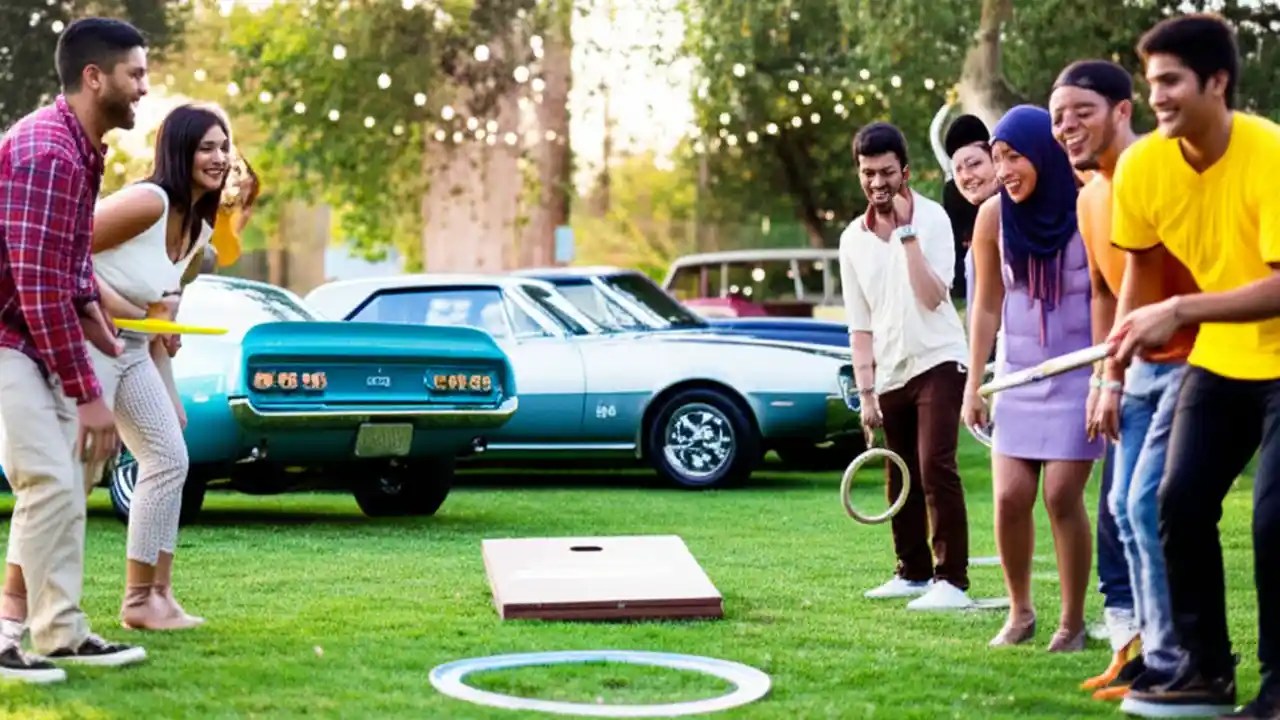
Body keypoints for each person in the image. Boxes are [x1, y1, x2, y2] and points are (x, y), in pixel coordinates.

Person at [1106, 14, 1280, 719]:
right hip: (1223, 358)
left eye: (1171, 81)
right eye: (1152, 84)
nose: (1159, 98)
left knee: (1274, 521)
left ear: (1217, 82)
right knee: (1175, 502)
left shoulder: (1270, 153)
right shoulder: (1144, 166)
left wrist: (1180, 313)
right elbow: (1140, 276)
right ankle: (1205, 671)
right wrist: (1112, 368)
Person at [0, 17, 151, 682]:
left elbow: (68, 260)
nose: (144, 88)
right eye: (135, 74)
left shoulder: (81, 149)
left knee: (63, 485)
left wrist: (92, 312)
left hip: (35, 338)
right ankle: (6, 641)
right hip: (7, 336)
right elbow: (34, 283)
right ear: (96, 78)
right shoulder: (48, 152)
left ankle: (59, 632)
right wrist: (90, 394)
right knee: (46, 479)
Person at [961, 105, 1103, 652]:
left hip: (1075, 371)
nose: (1004, 170)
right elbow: (986, 308)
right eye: (997, 159)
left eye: (1013, 156)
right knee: (1009, 499)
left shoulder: (1087, 203)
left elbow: (1103, 295)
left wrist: (1100, 378)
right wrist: (976, 383)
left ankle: (1072, 622)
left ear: (1041, 152)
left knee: (1063, 494)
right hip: (1018, 375)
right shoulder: (993, 218)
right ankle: (1020, 613)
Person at [88, 103, 229, 631]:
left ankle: (149, 598)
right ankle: (18, 612)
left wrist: (168, 392)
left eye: (224, 147)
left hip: (129, 353)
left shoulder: (197, 230)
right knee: (71, 479)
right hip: (86, 346)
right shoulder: (148, 202)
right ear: (180, 150)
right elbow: (64, 251)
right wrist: (132, 313)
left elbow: (162, 325)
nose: (219, 158)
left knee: (170, 458)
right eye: (206, 147)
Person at [839, 122, 974, 611]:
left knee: (935, 464)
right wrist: (867, 394)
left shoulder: (934, 218)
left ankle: (952, 581)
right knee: (901, 475)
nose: (878, 183)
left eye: (887, 173)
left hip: (938, 357)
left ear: (905, 172)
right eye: (869, 173)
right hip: (891, 369)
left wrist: (907, 234)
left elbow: (935, 294)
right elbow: (860, 323)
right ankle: (912, 572)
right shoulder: (850, 240)